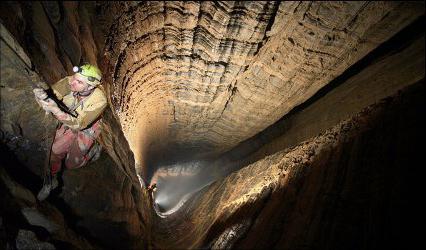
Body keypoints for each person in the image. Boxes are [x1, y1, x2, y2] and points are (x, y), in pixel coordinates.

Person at [33, 64, 107, 201]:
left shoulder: (100, 100)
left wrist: (56, 111)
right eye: (74, 77)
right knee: (54, 150)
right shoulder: (69, 82)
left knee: (71, 164)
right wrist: (41, 97)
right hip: (67, 120)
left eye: (79, 82)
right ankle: (51, 180)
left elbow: (80, 124)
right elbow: (51, 96)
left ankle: (93, 150)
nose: (72, 82)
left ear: (90, 87)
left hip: (87, 127)